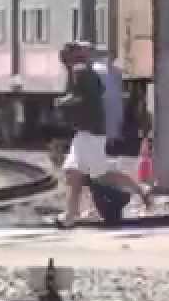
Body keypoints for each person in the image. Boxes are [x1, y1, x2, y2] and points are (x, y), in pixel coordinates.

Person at [54, 41, 151, 228]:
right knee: (73, 172)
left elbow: (86, 96)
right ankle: (71, 214)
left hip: (91, 132)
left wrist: (63, 102)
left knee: (101, 175)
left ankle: (140, 190)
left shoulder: (82, 71)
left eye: (66, 55)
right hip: (86, 131)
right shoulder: (81, 70)